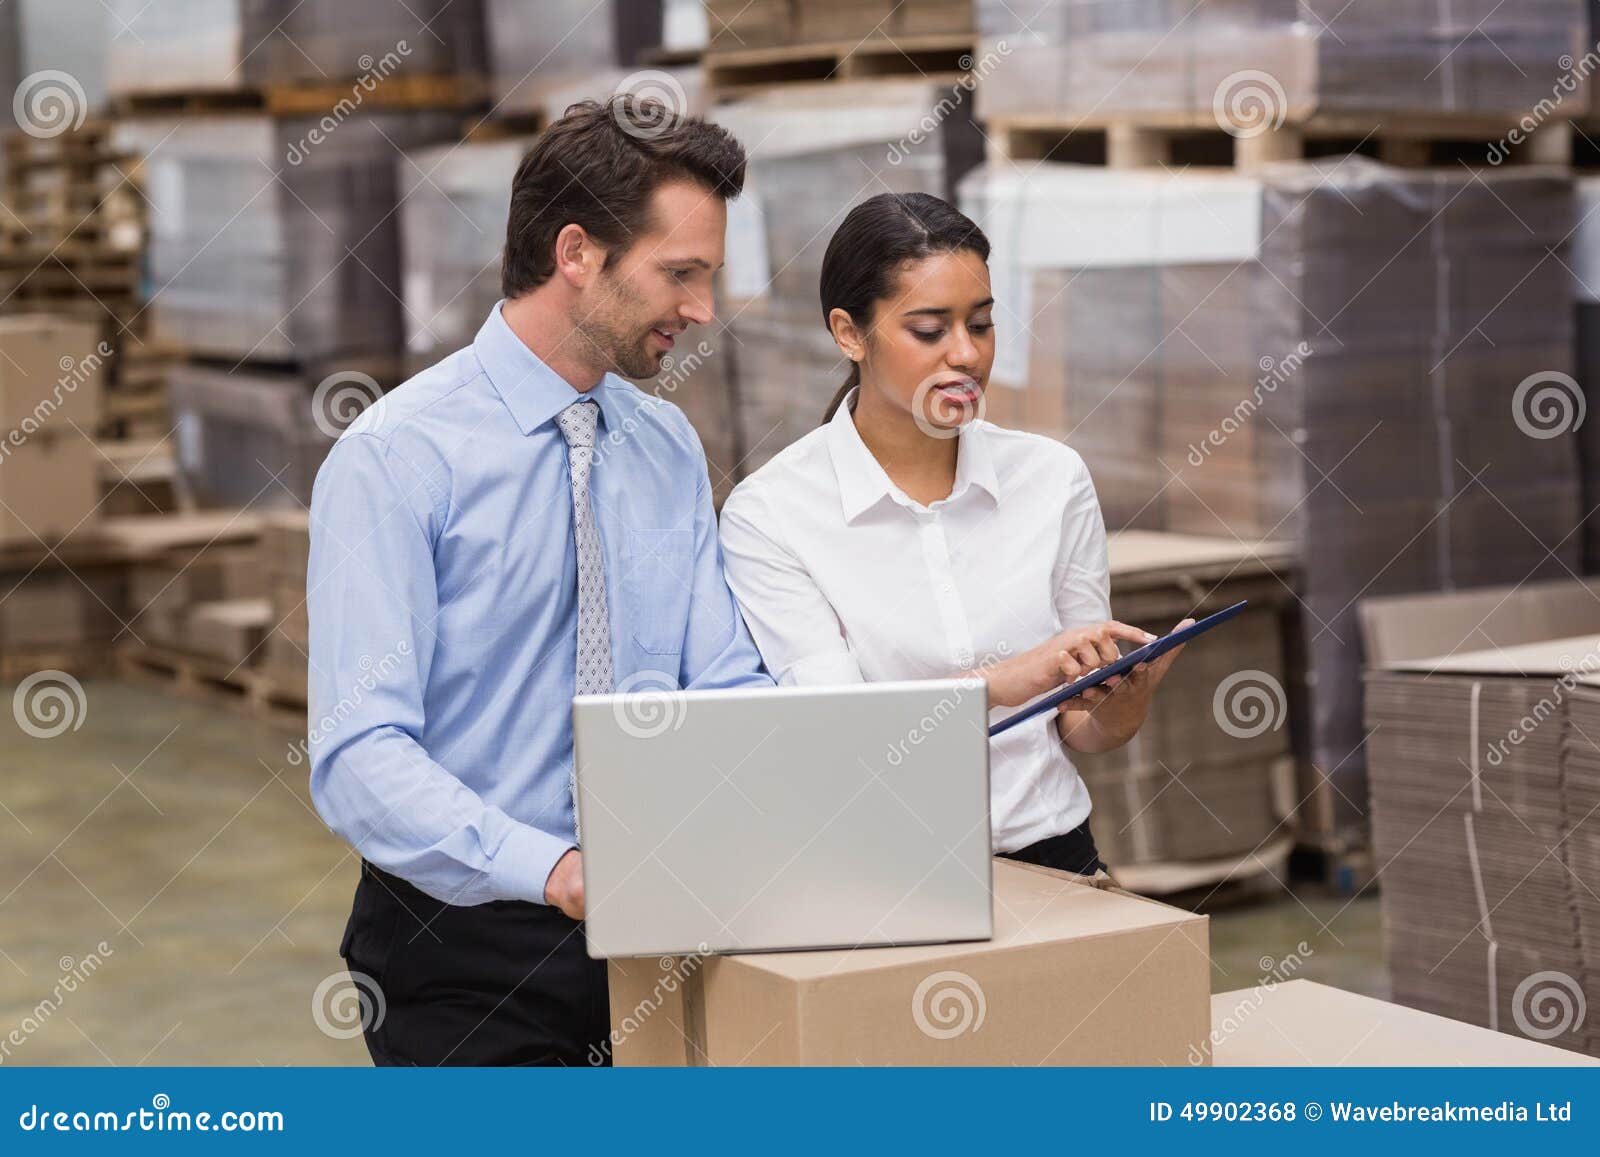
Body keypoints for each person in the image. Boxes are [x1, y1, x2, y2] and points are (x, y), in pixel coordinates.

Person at [306, 97, 771, 1067]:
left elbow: (723, 676)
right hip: (462, 941)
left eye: (708, 278)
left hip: (661, 920)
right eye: (679, 274)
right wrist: (555, 867)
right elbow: (358, 751)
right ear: (577, 254)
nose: (701, 310)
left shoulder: (663, 443)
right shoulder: (397, 457)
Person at [718, 192, 1190, 878]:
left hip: (1057, 856)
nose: (966, 354)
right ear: (849, 332)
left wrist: (1123, 699)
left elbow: (1082, 728)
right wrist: (1006, 679)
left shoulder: (1052, 480)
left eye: (982, 323)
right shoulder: (774, 513)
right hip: (885, 876)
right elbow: (841, 731)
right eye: (929, 330)